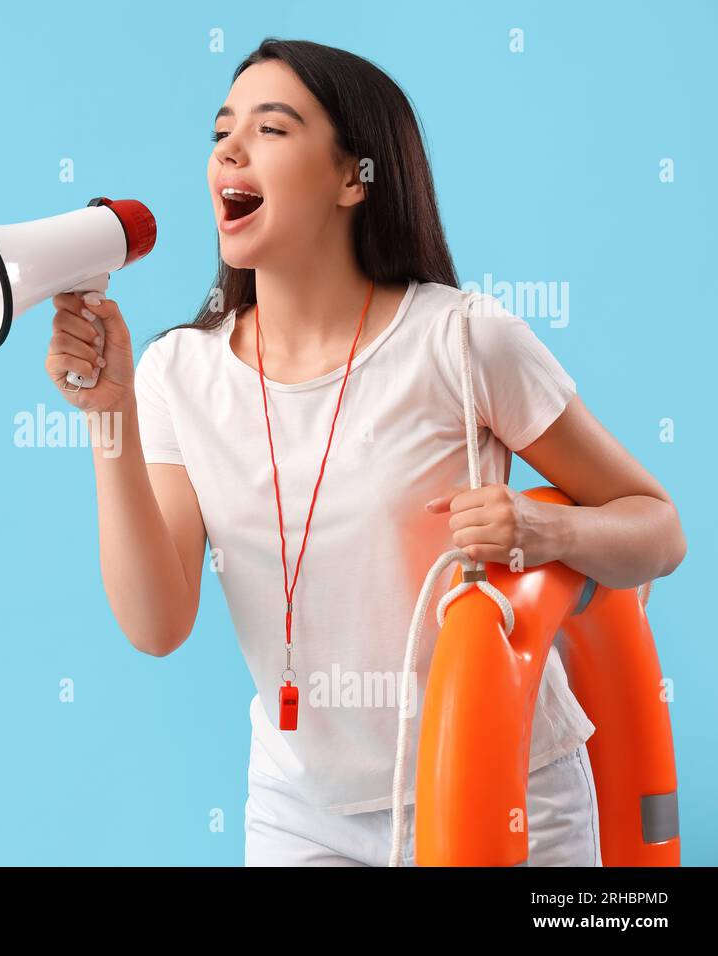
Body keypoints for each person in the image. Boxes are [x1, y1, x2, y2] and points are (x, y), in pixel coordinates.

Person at [43, 37, 686, 866]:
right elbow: (157, 624)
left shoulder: (461, 338)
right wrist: (110, 416)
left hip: (506, 785)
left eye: (272, 129)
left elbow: (659, 528)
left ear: (356, 178)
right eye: (221, 131)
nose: (230, 150)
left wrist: (543, 530)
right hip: (300, 807)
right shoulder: (177, 372)